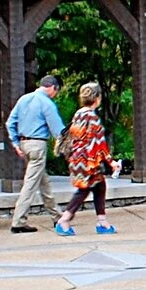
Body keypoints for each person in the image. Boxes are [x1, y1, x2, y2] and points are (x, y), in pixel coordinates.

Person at [53, 81, 118, 236]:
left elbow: (76, 137)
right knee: (84, 189)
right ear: (97, 98)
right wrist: (111, 162)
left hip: (77, 159)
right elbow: (99, 145)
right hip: (88, 161)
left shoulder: (79, 114)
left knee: (99, 185)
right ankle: (64, 220)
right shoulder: (92, 118)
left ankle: (102, 221)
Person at [3, 72, 65, 233]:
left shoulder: (24, 99)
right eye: (56, 91)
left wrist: (16, 143)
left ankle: (57, 216)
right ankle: (18, 221)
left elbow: (10, 122)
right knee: (30, 184)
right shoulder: (47, 103)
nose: (55, 95)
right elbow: (57, 129)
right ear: (52, 88)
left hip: (24, 143)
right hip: (38, 144)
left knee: (44, 182)